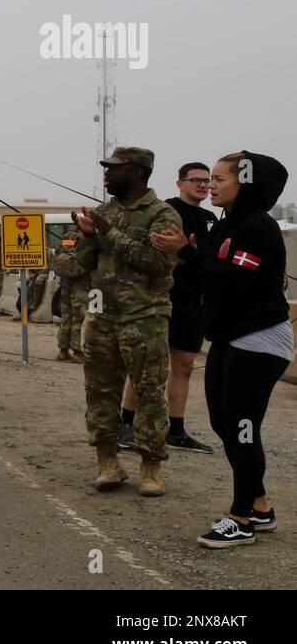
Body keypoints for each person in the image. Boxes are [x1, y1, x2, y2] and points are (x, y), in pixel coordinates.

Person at [153, 152, 291, 549]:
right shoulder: (225, 226)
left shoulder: (258, 228)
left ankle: (241, 517)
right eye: (209, 178)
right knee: (223, 424)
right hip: (229, 337)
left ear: (245, 182)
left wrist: (187, 255)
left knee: (244, 429)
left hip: (260, 339)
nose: (211, 185)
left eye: (220, 178)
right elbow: (204, 280)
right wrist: (183, 255)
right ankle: (260, 506)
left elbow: (234, 282)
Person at [71, 147, 179, 496]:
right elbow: (81, 265)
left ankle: (151, 467)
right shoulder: (103, 213)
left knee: (149, 393)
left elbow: (159, 263)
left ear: (138, 172)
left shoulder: (162, 215)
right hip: (103, 316)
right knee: (100, 392)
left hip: (144, 318)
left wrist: (110, 235)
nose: (106, 174)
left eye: (114, 169)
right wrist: (89, 236)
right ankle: (108, 462)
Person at [119, 162, 217, 453]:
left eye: (207, 180)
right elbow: (163, 252)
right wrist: (189, 253)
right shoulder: (165, 212)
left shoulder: (211, 218)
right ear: (180, 183)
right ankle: (126, 423)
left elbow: (208, 261)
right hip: (162, 300)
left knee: (184, 367)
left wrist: (193, 255)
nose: (202, 185)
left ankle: (176, 429)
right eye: (195, 180)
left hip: (194, 303)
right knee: (148, 366)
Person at [51, 225, 89, 362]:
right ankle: (78, 351)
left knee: (66, 316)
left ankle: (63, 350)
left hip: (66, 283)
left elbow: (57, 255)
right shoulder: (87, 238)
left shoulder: (67, 238)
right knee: (79, 315)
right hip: (82, 283)